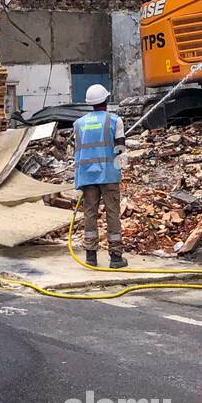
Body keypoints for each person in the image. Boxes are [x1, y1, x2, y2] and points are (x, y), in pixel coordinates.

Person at [72, 84, 127, 269]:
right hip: (109, 174)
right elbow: (120, 148)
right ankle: (116, 258)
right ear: (106, 100)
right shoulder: (114, 120)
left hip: (87, 176)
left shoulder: (79, 124)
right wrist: (122, 168)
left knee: (90, 214)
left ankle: (91, 256)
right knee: (112, 213)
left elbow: (78, 150)